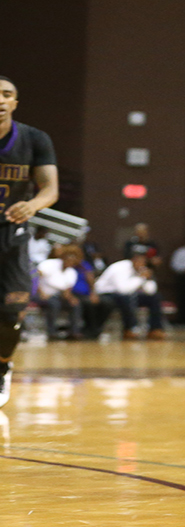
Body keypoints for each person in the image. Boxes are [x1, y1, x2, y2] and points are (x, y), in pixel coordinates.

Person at [0, 75, 60, 407]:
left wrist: (32, 205)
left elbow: (50, 189)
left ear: (15, 103)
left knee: (10, 315)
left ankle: (2, 367)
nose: (0, 100)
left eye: (6, 94)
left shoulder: (34, 138)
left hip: (11, 234)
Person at [94, 253, 166, 340]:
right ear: (133, 260)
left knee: (154, 298)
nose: (141, 264)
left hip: (128, 295)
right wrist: (141, 278)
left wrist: (146, 278)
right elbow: (123, 289)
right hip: (107, 293)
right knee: (126, 298)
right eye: (139, 261)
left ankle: (155, 329)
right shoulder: (120, 267)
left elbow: (151, 291)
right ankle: (130, 329)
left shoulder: (143, 270)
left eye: (144, 262)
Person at [36, 244, 84, 340]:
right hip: (40, 294)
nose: (70, 260)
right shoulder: (49, 264)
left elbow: (66, 291)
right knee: (54, 304)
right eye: (69, 257)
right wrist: (41, 292)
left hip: (57, 296)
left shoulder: (72, 272)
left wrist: (71, 299)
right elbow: (36, 278)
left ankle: (74, 332)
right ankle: (51, 332)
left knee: (75, 305)